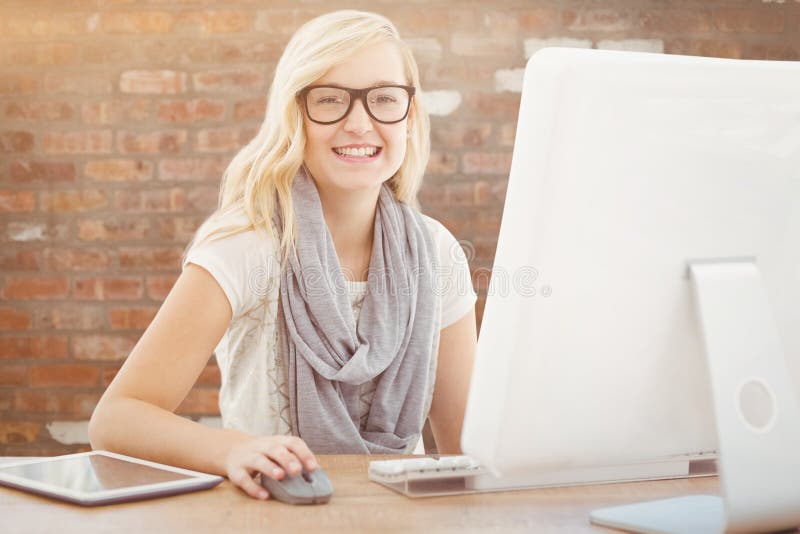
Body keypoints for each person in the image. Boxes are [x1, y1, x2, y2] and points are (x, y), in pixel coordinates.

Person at [89, 9, 478, 501]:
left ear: (410, 115)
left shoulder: (437, 251)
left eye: (384, 99)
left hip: (403, 519)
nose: (360, 123)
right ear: (295, 114)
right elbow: (116, 418)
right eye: (330, 99)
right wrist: (231, 451)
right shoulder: (244, 246)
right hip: (275, 516)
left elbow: (467, 450)